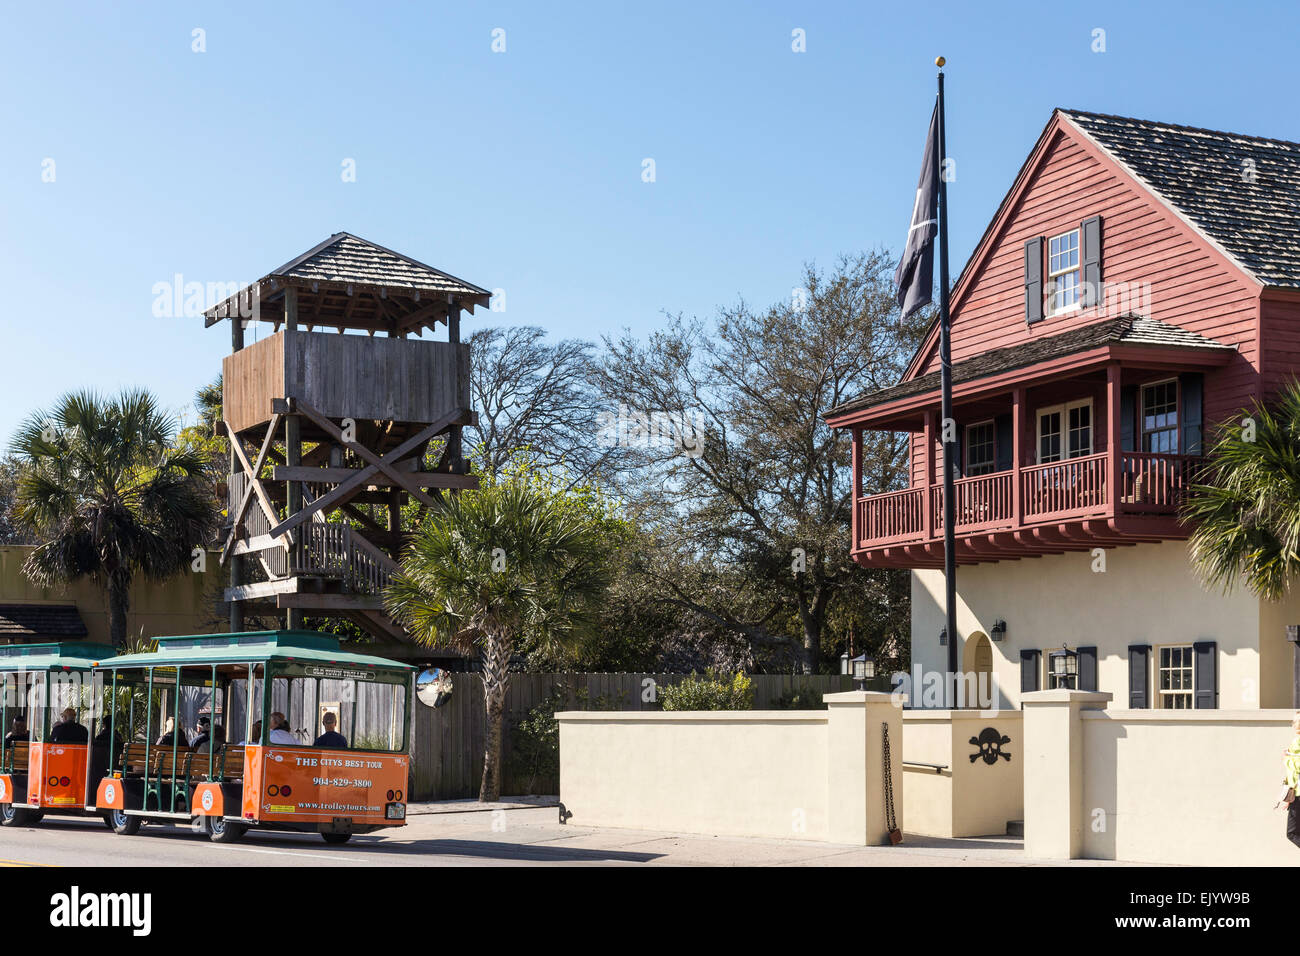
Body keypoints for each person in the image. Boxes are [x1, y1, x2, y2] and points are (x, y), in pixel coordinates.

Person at [1285, 712, 1300, 849]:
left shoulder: (1296, 742)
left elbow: (1295, 769)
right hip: (1295, 793)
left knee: (1292, 833)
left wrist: (1289, 757)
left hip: (1298, 794)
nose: (1296, 724)